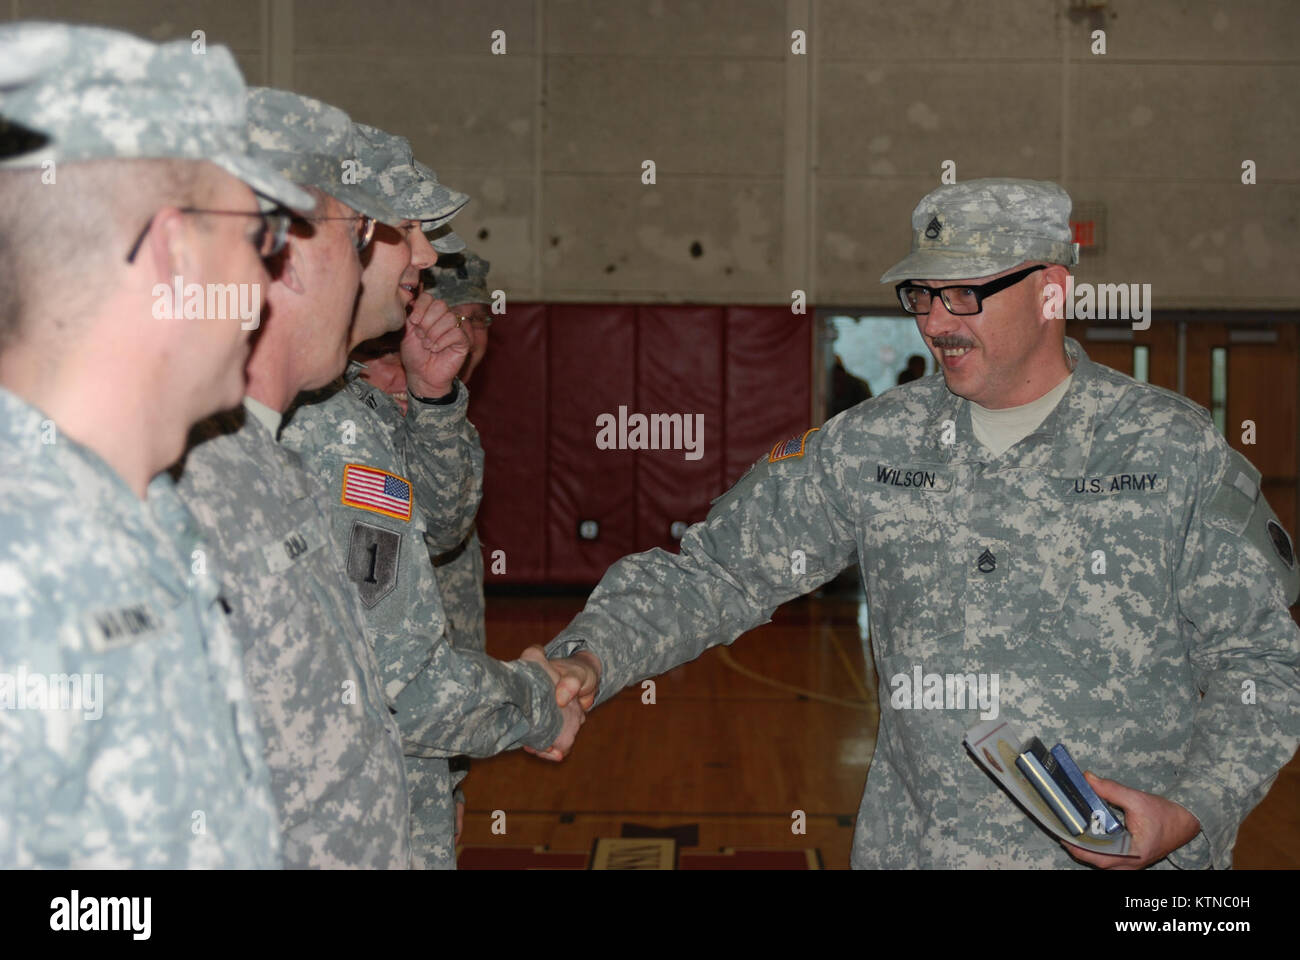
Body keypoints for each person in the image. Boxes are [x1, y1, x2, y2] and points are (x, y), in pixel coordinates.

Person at [539, 178, 1300, 869]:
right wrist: (592, 656)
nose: (936, 322)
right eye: (922, 294)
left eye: (964, 294)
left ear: (1050, 293)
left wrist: (1192, 810)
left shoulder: (1171, 447)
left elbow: (1263, 664)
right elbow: (716, 571)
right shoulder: (870, 445)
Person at [0, 22, 313, 866]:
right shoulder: (20, 567)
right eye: (262, 239)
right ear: (177, 249)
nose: (267, 282)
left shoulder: (143, 516)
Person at [280, 127, 579, 869]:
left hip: (392, 797)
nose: (426, 257)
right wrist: (538, 702)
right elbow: (398, 685)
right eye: (404, 231)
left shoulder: (346, 406)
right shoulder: (313, 419)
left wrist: (435, 400)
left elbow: (443, 526)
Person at [173, 89, 415, 868]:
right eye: (365, 234)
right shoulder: (180, 485)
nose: (390, 260)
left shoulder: (268, 463)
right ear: (285, 248)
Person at [355, 250, 494, 835]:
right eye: (446, 314)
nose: (463, 333)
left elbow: (446, 534)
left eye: (477, 317)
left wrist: (452, 780)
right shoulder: (350, 421)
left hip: (431, 747)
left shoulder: (442, 414)